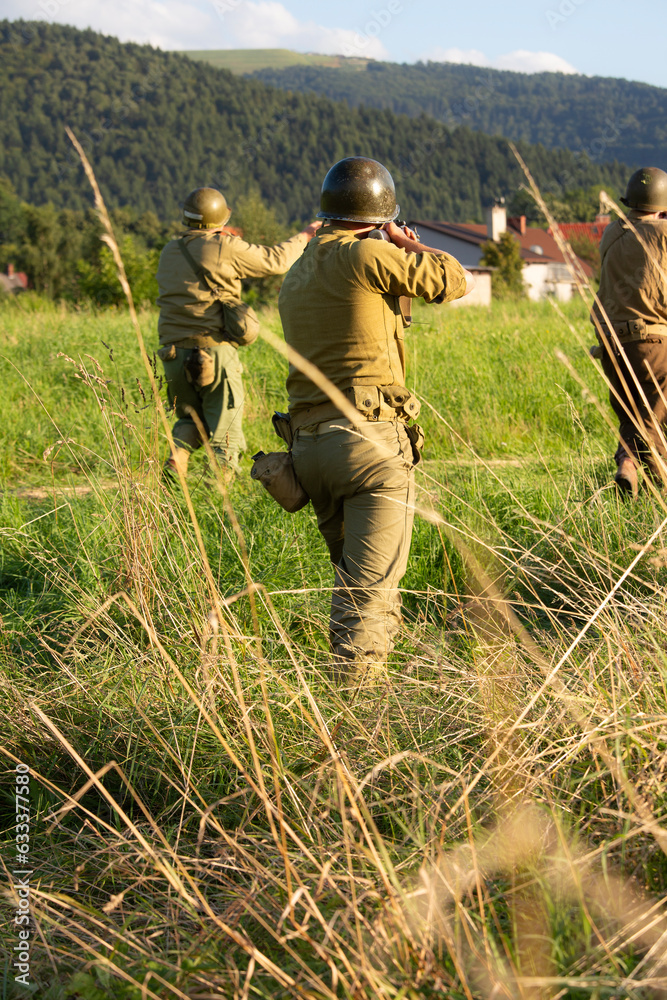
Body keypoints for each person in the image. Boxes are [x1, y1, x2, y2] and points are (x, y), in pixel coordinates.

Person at [278, 156, 475, 688]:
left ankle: (367, 690)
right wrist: (406, 244)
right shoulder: (368, 254)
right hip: (369, 447)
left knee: (356, 591)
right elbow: (455, 280)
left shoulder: (298, 271)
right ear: (379, 217)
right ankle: (358, 734)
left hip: (310, 451)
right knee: (367, 605)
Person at [156, 187, 320, 480]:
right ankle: (219, 500)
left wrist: (219, 237)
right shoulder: (224, 247)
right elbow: (276, 260)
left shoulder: (170, 250)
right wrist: (307, 234)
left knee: (190, 418)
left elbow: (199, 255)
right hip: (214, 352)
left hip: (172, 353)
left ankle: (177, 458)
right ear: (222, 216)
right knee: (226, 432)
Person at [593, 166, 667, 497]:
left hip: (611, 346)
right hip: (654, 346)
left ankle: (629, 468)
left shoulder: (611, 233)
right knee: (654, 426)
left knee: (633, 419)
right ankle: (644, 481)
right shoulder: (664, 234)